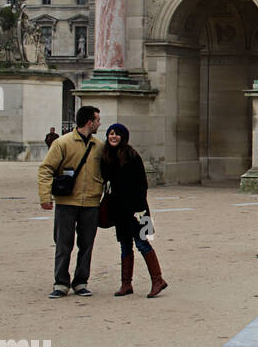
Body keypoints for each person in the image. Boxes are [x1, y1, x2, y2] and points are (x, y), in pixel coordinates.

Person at [38, 105, 103, 298]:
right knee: (63, 243)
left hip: (91, 201)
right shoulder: (62, 143)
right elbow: (46, 169)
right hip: (67, 200)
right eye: (98, 120)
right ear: (89, 122)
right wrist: (45, 197)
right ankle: (61, 283)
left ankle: (81, 282)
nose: (99, 123)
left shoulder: (99, 145)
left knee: (86, 244)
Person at [101, 123, 167, 297]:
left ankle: (158, 279)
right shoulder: (106, 156)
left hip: (138, 209)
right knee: (124, 244)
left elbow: (141, 185)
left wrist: (138, 210)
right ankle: (126, 284)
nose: (113, 137)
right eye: (111, 134)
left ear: (123, 137)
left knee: (142, 243)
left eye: (117, 134)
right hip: (119, 209)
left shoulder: (132, 155)